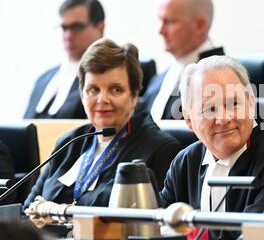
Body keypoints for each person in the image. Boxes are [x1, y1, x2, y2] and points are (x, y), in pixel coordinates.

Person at [159, 55, 264, 240]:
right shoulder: (185, 163)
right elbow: (155, 229)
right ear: (189, 119)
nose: (224, 118)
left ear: (250, 103)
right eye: (209, 109)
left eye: (233, 104)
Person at [24, 38, 181, 208]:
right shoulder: (69, 143)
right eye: (93, 90)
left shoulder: (160, 150)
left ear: (134, 96)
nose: (102, 99)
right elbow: (28, 209)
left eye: (115, 89)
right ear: (82, 95)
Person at [139, 0, 225, 121]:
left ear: (200, 25)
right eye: (160, 20)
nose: (160, 30)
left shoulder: (223, 77)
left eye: (169, 22)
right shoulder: (159, 78)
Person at [24, 0, 105, 119]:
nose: (68, 36)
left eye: (77, 27)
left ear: (100, 28)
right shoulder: (43, 80)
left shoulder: (107, 79)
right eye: (64, 28)